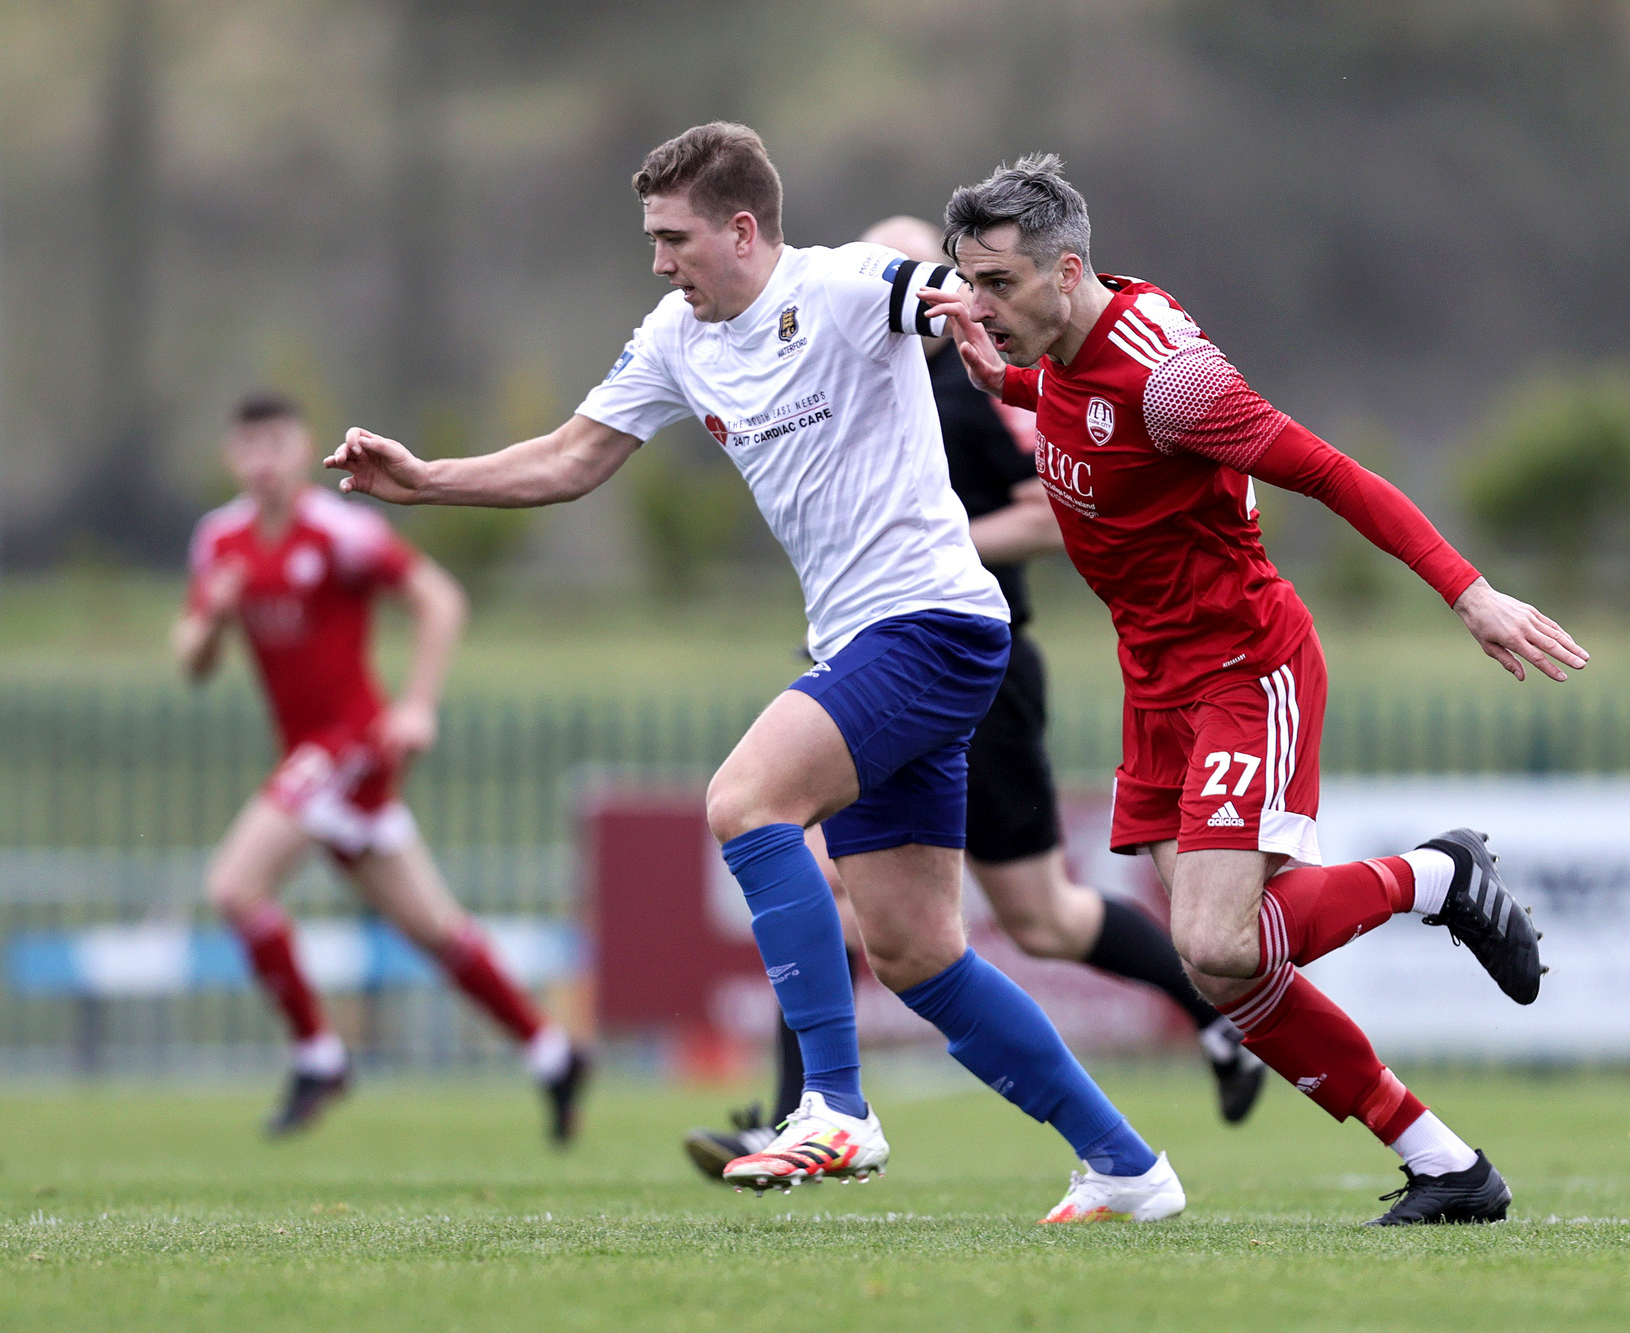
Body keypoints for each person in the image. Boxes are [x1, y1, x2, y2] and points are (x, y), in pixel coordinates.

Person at [328, 123, 1185, 1222]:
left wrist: (968, 318)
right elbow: (571, 456)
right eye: (650, 239)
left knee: (743, 800)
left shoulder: (837, 286)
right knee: (918, 954)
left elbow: (931, 287)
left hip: (933, 624)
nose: (657, 260)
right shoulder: (675, 336)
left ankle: (831, 1105)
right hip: (868, 641)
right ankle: (1124, 1164)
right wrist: (423, 480)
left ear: (742, 229)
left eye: (672, 237)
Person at [925, 154, 1586, 1225]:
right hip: (1154, 684)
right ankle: (1443, 1164)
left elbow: (1329, 471)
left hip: (1242, 665)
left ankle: (1434, 875)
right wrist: (994, 370)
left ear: (1067, 269)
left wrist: (1467, 593)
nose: (980, 303)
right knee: (1226, 973)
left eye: (996, 284)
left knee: (1220, 944)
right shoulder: (1058, 351)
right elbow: (1068, 401)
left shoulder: (1172, 378)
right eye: (969, 282)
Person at [682, 213, 1265, 1181]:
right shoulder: (841, 376)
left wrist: (924, 547)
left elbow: (1048, 509)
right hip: (882, 650)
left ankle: (823, 1105)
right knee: (898, 914)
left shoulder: (973, 379)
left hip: (956, 655)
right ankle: (833, 1110)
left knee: (1016, 914)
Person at [174, 392, 588, 1143]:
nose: (264, 458)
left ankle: (318, 1054)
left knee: (235, 886)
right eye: (249, 444)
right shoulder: (219, 542)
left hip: (351, 743)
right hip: (311, 756)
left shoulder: (338, 531)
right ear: (232, 457)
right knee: (433, 928)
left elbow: (439, 599)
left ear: (302, 449)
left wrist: (417, 705)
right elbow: (193, 663)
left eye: (277, 441)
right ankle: (554, 1053)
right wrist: (211, 618)